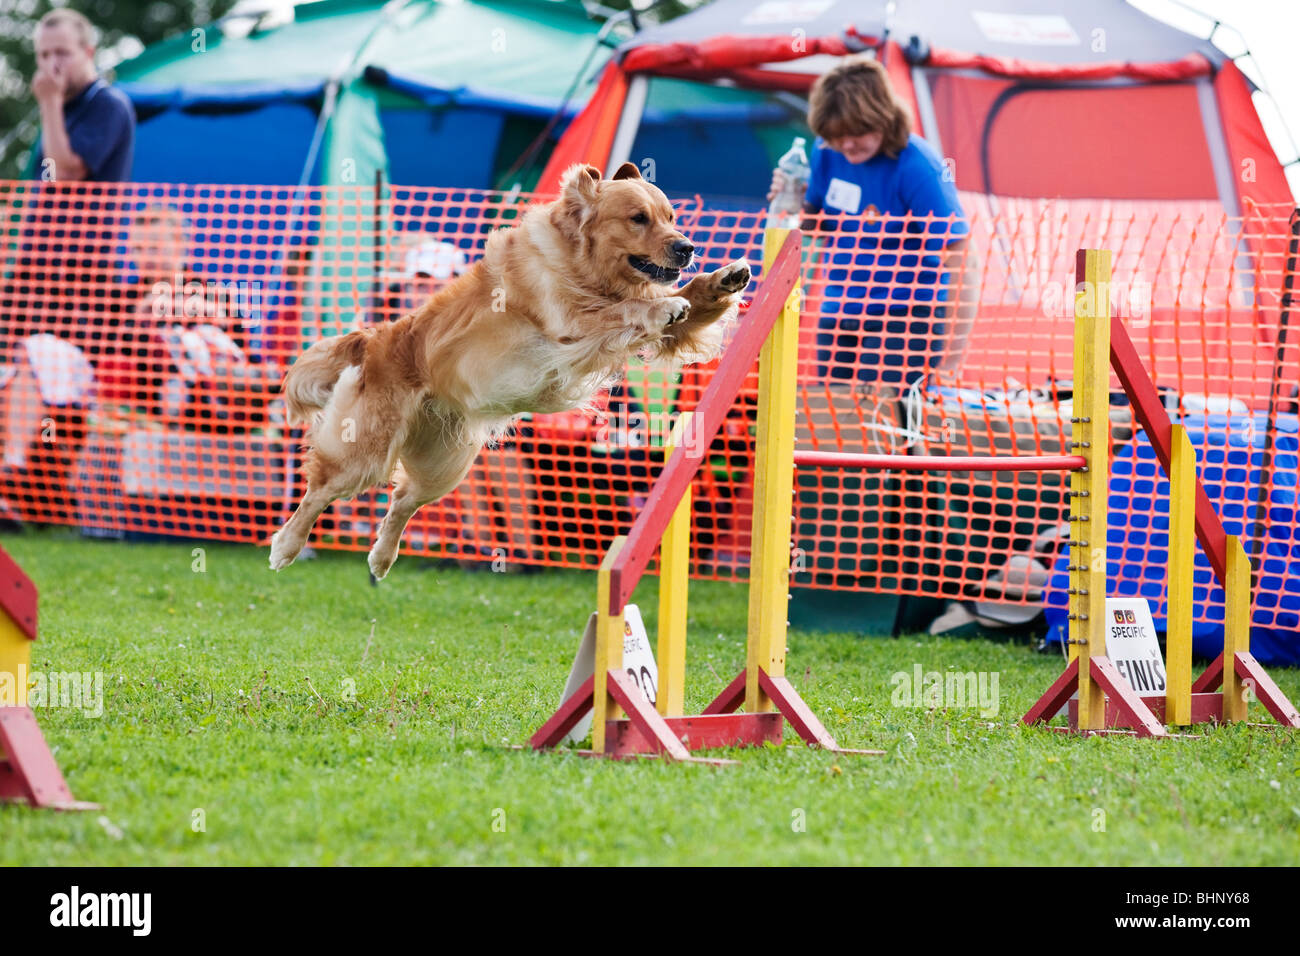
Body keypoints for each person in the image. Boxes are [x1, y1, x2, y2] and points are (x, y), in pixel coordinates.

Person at [769, 55, 973, 400]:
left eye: (857, 133)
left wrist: (954, 351)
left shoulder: (917, 165)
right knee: (832, 423)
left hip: (907, 317)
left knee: (886, 428)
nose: (847, 145)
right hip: (839, 310)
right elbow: (816, 226)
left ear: (883, 119)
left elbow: (962, 255)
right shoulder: (825, 152)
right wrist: (789, 200)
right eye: (837, 136)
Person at [31, 9, 135, 183]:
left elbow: (63, 174)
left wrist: (49, 102)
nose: (52, 64)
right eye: (44, 54)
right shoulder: (61, 106)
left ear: (88, 53)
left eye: (62, 53)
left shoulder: (108, 104)